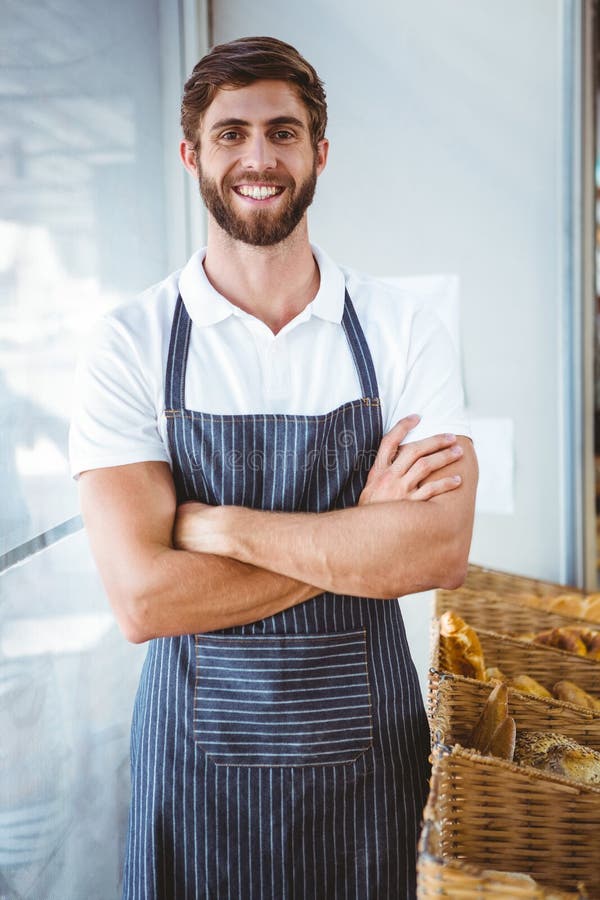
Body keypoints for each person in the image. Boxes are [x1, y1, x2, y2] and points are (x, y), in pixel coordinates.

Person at [69, 35, 477, 900]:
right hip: (194, 777)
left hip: (369, 770)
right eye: (232, 134)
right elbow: (144, 599)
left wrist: (220, 527)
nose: (260, 158)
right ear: (191, 154)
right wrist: (360, 545)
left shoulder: (403, 330)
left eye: (284, 133)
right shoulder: (131, 344)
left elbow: (436, 552)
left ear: (320, 152)